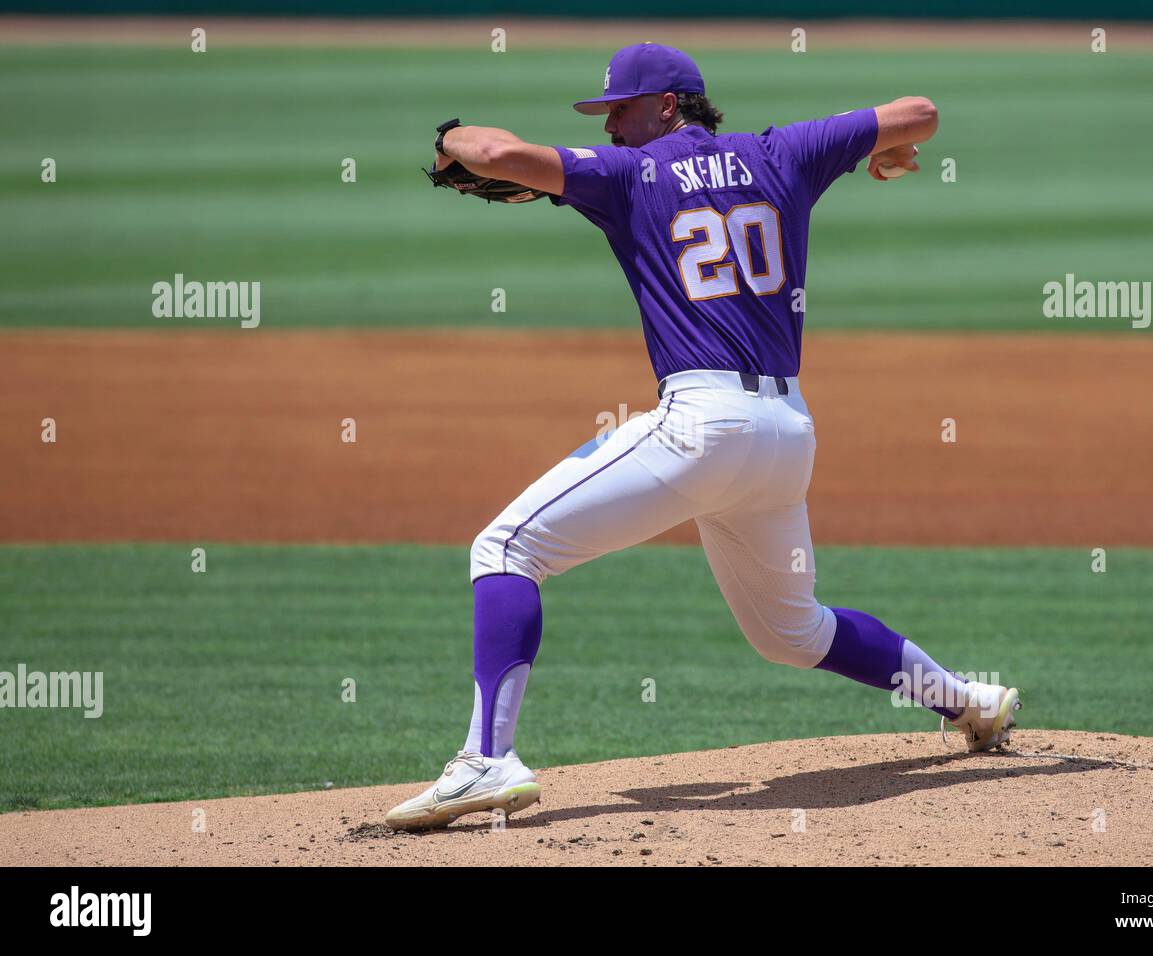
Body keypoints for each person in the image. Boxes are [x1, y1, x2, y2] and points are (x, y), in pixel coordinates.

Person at [386, 42, 1019, 832]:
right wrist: (890, 149)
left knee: (505, 549)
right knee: (794, 630)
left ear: (669, 105)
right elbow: (920, 112)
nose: (609, 125)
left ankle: (486, 760)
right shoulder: (782, 150)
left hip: (703, 427)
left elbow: (489, 151)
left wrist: (445, 135)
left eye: (618, 108)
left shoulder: (627, 176)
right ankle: (970, 703)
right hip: (786, 437)